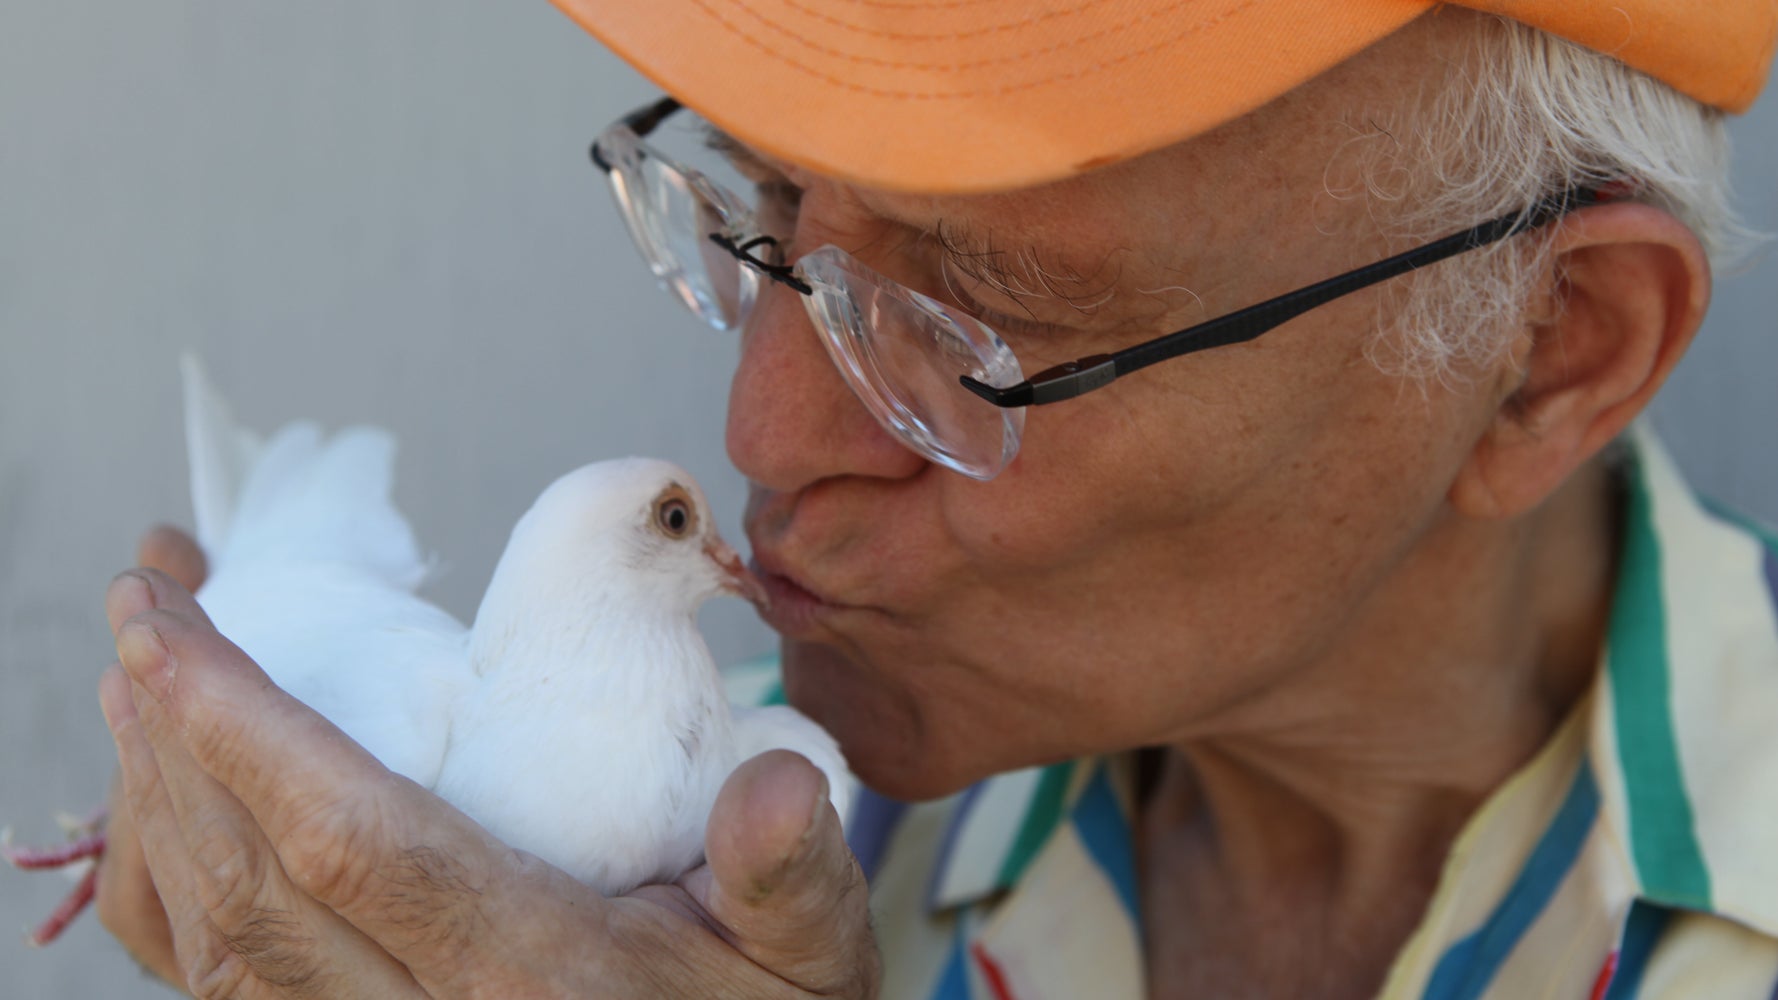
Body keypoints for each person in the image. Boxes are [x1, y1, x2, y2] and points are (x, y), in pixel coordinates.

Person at [90, 2, 1777, 997]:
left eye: (987, 308)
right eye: (757, 207)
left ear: (1554, 348)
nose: (764, 430)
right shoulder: (639, 889)